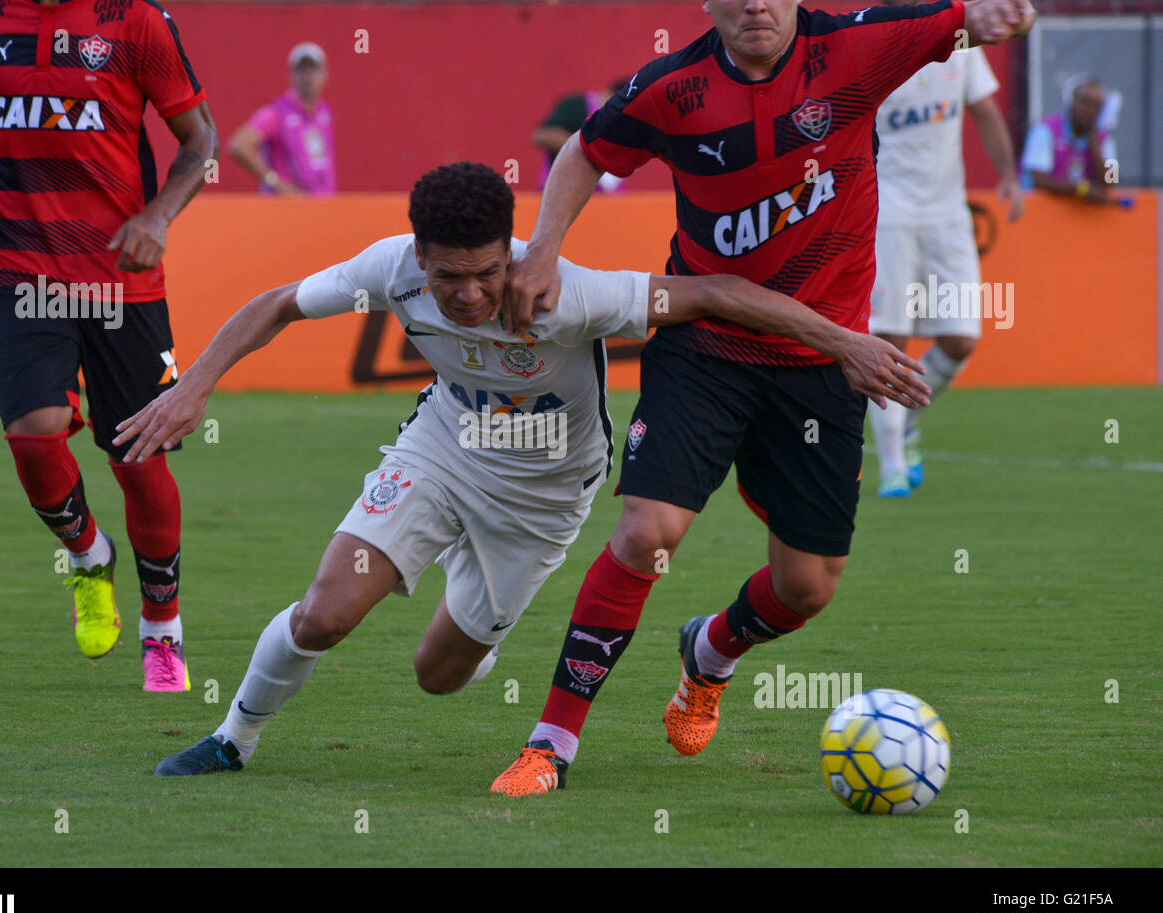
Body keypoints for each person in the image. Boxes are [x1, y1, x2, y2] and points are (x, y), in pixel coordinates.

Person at [114, 162, 922, 777]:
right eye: (447, 276)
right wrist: (193, 387)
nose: (467, 294)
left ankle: (479, 630)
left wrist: (842, 340)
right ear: (420, 257)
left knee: (439, 676)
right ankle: (233, 739)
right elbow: (280, 302)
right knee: (325, 613)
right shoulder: (390, 267)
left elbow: (711, 291)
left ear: (514, 252)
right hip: (442, 451)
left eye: (486, 272)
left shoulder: (570, 294)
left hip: (540, 500)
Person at [492, 0, 1035, 796]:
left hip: (822, 361)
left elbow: (964, 18)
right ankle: (550, 742)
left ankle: (709, 654)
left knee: (807, 585)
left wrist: (999, 15)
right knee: (648, 532)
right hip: (706, 343)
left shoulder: (858, 49)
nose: (756, 4)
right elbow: (583, 150)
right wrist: (542, 251)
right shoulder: (671, 88)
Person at [0, 0, 219, 691]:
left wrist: (158, 215)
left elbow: (200, 138)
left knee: (140, 463)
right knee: (33, 434)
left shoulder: (137, 20)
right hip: (18, 266)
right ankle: (89, 556)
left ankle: (162, 630)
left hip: (123, 277)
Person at [867, 0, 1024, 498]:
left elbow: (984, 110)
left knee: (962, 338)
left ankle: (906, 421)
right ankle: (891, 462)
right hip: (889, 209)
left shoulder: (961, 40)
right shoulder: (875, 43)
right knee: (889, 337)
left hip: (947, 214)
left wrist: (1008, 177)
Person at [228, 42, 335, 195]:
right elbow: (238, 145)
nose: (308, 76)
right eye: (302, 70)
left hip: (321, 207)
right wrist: (274, 182)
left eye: (314, 70)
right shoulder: (276, 114)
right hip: (287, 211)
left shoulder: (324, 113)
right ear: (291, 74)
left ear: (325, 74)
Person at [1019, 75, 1118, 204]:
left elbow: (1112, 180)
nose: (1090, 110)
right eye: (1084, 102)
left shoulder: (1105, 139)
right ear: (1070, 103)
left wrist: (1095, 145)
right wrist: (1082, 189)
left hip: (1079, 218)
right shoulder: (1044, 130)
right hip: (1038, 212)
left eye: (1096, 106)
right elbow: (1038, 179)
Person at [534, 82, 628, 192]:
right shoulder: (578, 106)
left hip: (606, 202)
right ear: (609, 96)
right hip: (562, 196)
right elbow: (542, 135)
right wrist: (588, 151)